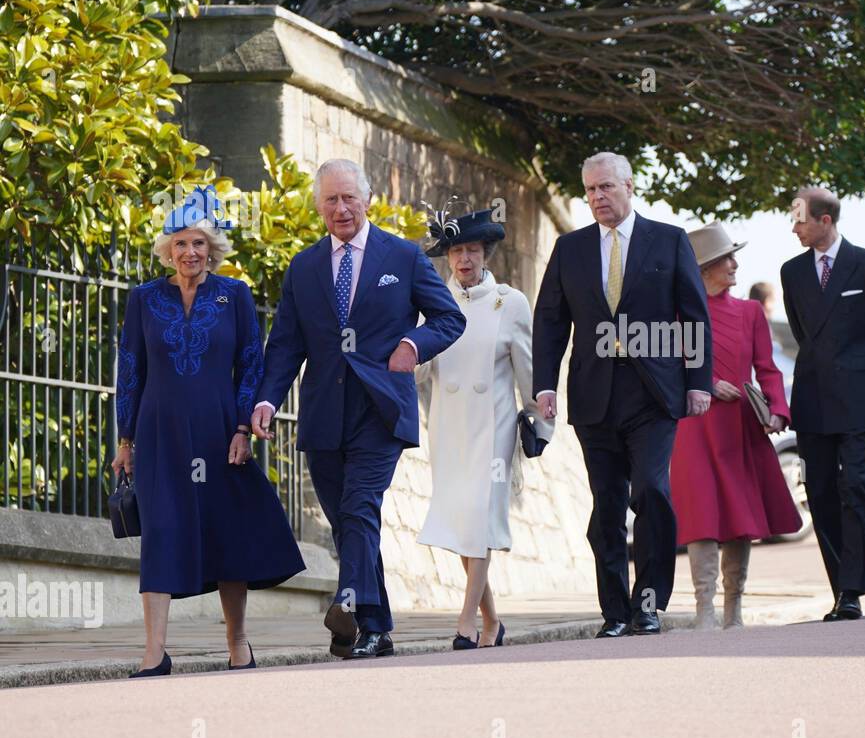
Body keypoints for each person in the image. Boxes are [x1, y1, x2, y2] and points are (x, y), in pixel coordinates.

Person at [251, 159, 466, 658]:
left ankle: (347, 605)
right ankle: (377, 627)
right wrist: (266, 398)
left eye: (349, 197)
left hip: (381, 409)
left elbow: (448, 318)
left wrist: (413, 343)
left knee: (359, 507)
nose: (341, 208)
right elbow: (285, 345)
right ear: (319, 206)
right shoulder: (304, 267)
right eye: (331, 199)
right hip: (325, 412)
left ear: (366, 199)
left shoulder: (403, 256)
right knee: (349, 523)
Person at [113, 189, 305, 677]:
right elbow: (130, 370)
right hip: (159, 434)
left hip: (220, 432)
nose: (190, 253)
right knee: (160, 532)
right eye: (180, 244)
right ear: (167, 250)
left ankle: (237, 640)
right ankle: (155, 652)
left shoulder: (234, 295)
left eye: (198, 243)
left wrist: (243, 426)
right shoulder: (143, 299)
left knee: (225, 534)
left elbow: (251, 363)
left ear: (211, 248)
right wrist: (125, 440)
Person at [532, 151, 712, 638]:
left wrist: (698, 381)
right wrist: (544, 384)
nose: (596, 197)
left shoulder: (669, 241)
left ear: (630, 186)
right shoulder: (570, 250)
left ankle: (648, 604)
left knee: (651, 490)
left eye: (605, 187)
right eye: (589, 190)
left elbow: (694, 316)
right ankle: (615, 611)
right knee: (606, 506)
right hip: (594, 397)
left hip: (653, 395)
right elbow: (550, 320)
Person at [416, 209, 552, 648]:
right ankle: (491, 620)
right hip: (448, 425)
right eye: (456, 250)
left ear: (485, 253)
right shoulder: (435, 301)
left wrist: (541, 421)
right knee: (460, 523)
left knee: (479, 515)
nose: (464, 259)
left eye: (472, 250)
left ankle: (465, 622)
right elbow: (419, 368)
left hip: (493, 425)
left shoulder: (510, 301)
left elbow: (528, 370)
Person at [672, 224, 800, 629]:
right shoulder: (679, 312)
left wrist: (777, 409)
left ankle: (734, 609)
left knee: (740, 517)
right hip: (694, 426)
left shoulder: (749, 313)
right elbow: (666, 368)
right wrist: (706, 383)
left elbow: (768, 369)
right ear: (705, 267)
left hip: (741, 427)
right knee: (702, 515)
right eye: (727, 258)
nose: (735, 264)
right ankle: (704, 609)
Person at [780, 187, 865, 621]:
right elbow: (802, 329)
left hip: (862, 396)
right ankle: (839, 589)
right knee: (822, 491)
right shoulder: (791, 272)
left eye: (800, 220)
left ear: (825, 221)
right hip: (813, 396)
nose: (794, 228)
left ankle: (853, 589)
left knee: (856, 486)